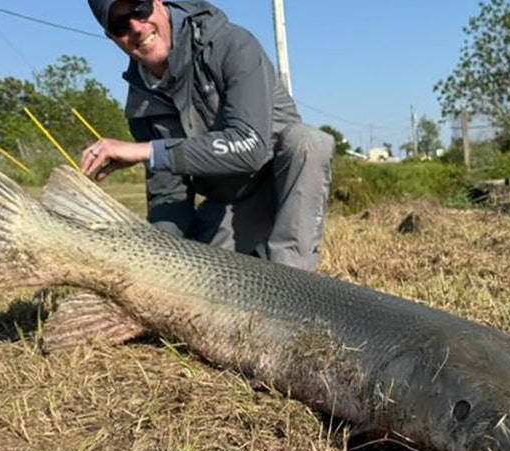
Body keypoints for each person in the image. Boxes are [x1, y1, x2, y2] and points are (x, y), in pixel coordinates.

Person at [83, 0, 334, 272]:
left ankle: (293, 283)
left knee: (309, 143)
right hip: (231, 202)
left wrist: (149, 151)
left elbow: (250, 148)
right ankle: (255, 256)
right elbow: (169, 196)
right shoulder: (141, 105)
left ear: (158, 3)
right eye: (120, 26)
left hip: (281, 184)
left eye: (139, 8)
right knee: (197, 274)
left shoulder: (232, 44)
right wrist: (160, 262)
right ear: (111, 38)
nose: (136, 27)